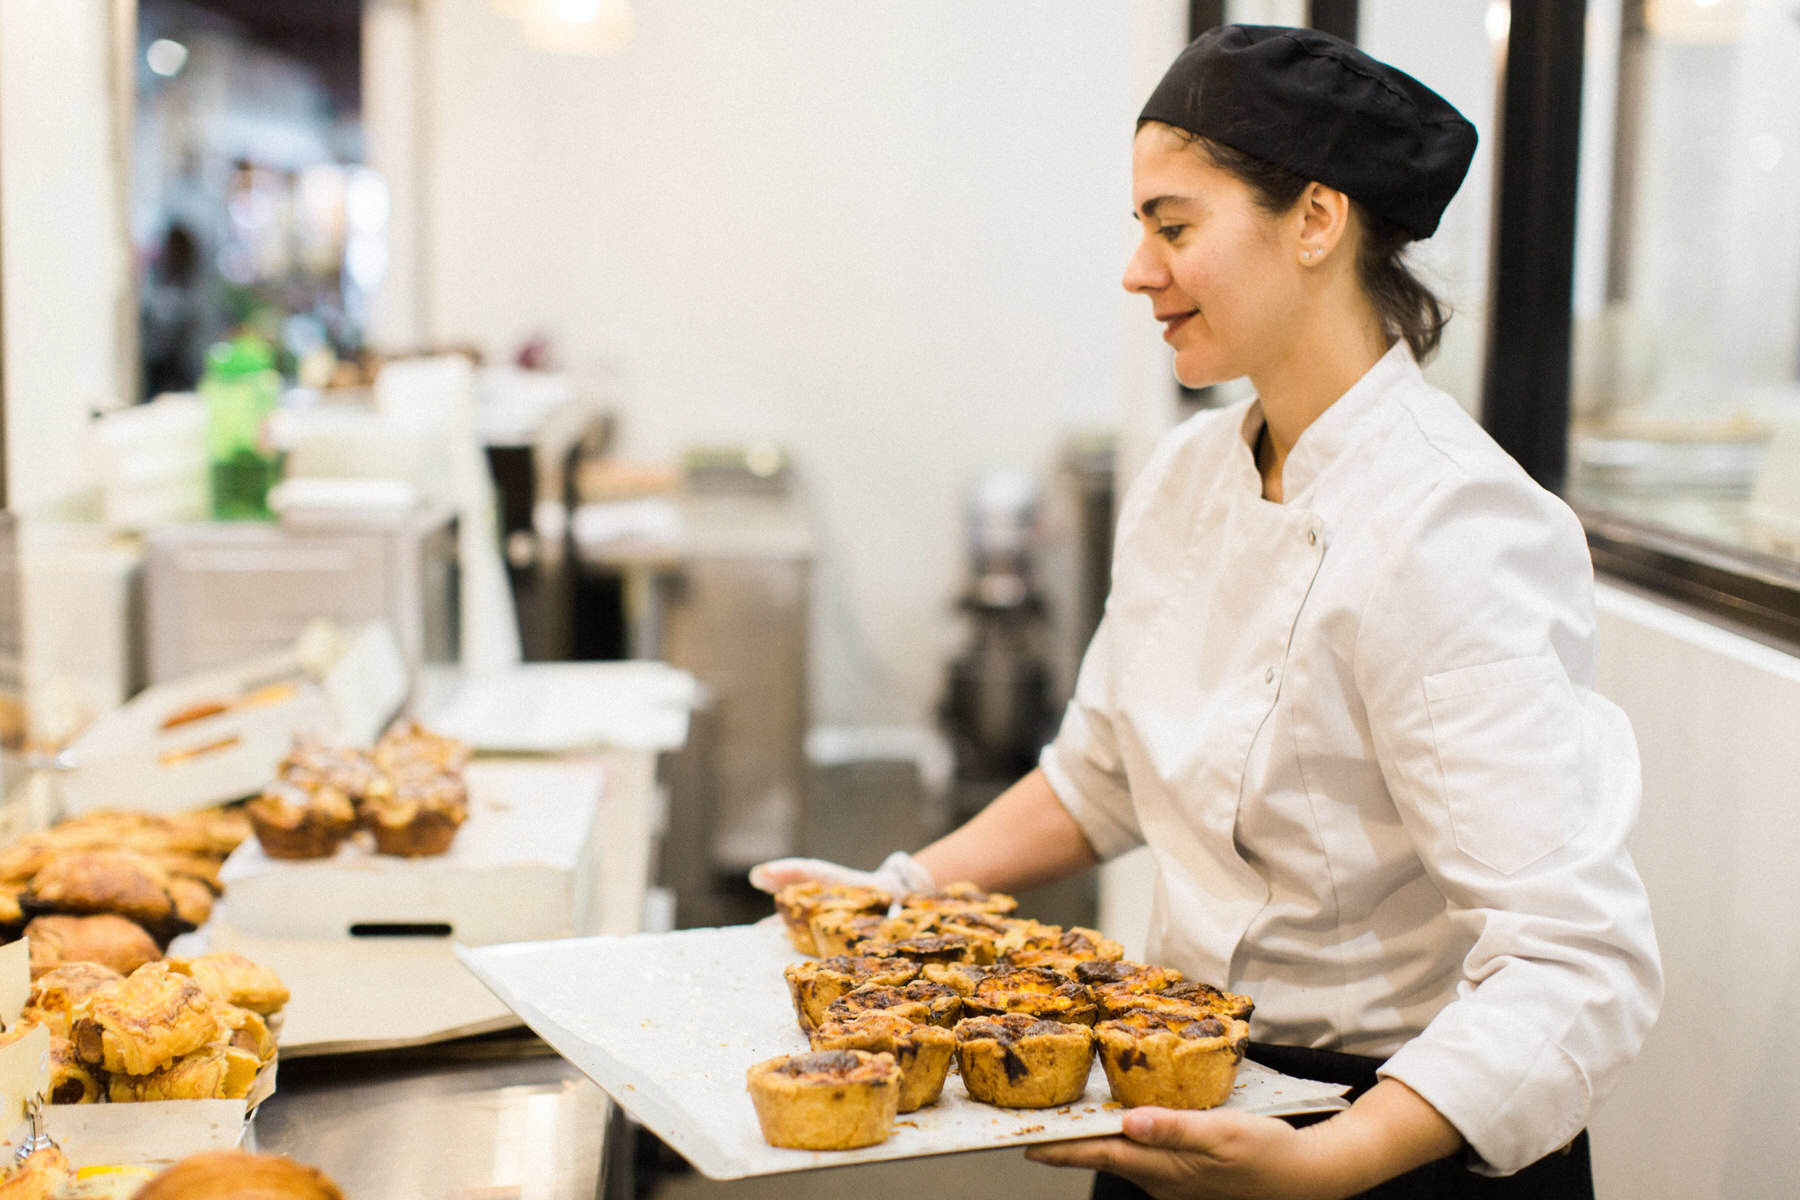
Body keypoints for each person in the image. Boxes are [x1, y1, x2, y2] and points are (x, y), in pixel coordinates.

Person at [752, 24, 1660, 1200]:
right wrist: (898, 898)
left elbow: (1578, 959)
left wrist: (1331, 1162)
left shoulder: (1457, 527)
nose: (1138, 269)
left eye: (1174, 226)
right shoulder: (1188, 480)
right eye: (1141, 228)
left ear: (1317, 221)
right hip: (1186, 1089)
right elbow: (1103, 778)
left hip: (1394, 1134)